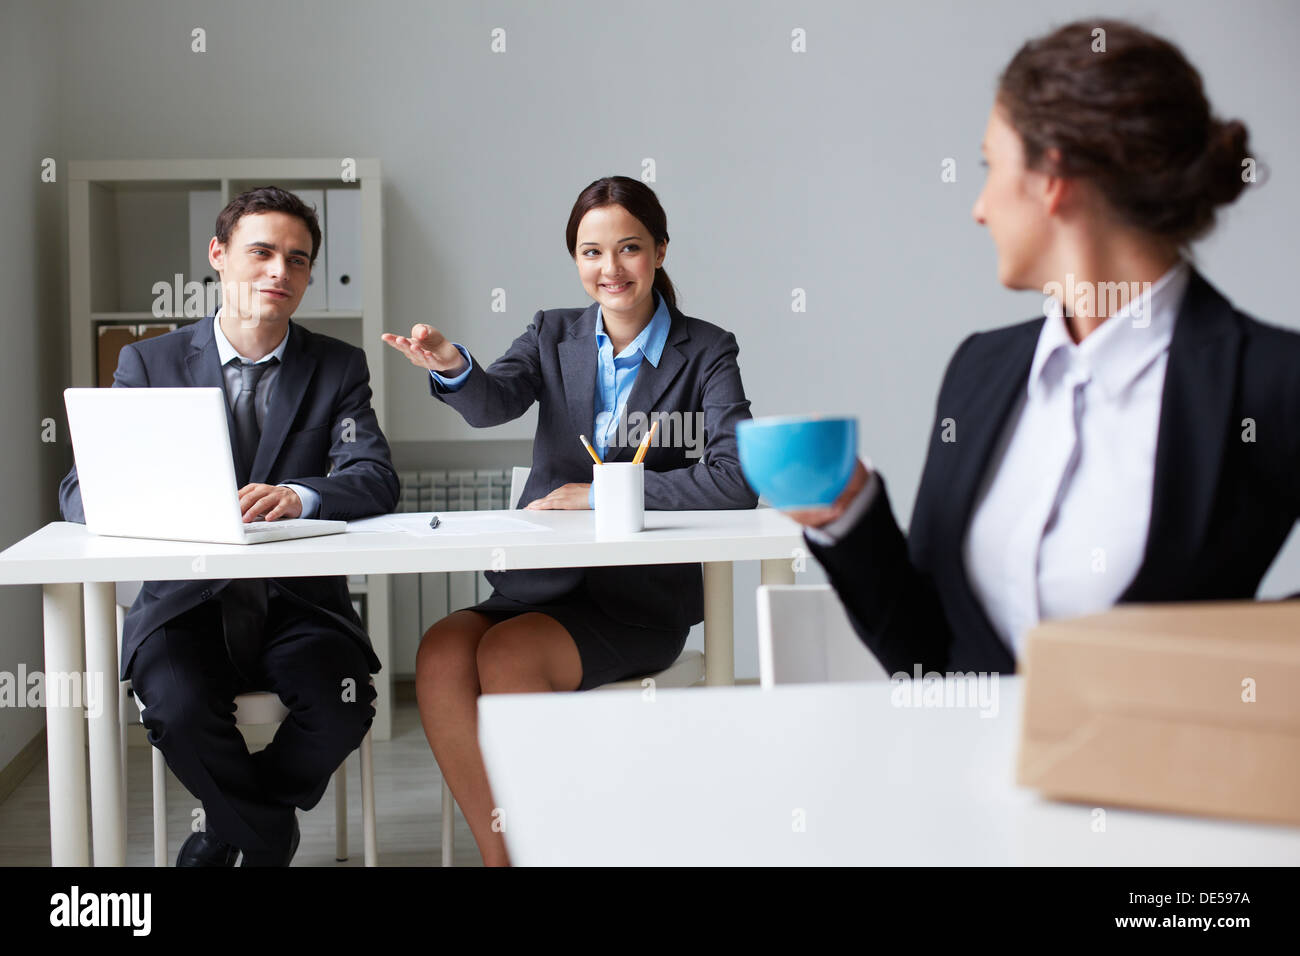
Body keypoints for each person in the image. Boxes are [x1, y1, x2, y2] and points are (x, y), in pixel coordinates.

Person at [791, 20, 1300, 675]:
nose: (978, 207)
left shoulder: (1271, 381)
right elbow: (928, 652)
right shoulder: (980, 370)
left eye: (990, 166)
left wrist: (1245, 661)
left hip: (1152, 780)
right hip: (951, 776)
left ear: (1052, 174)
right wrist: (847, 511)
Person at [383, 175, 757, 865]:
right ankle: (505, 856)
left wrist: (606, 492)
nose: (609, 269)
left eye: (629, 248)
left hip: (638, 600)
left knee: (506, 653)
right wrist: (452, 366)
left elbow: (737, 481)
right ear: (575, 259)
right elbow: (494, 400)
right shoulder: (552, 333)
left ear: (661, 252)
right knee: (439, 654)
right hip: (540, 586)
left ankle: (559, 846)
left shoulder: (706, 350)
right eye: (591, 252)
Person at [59, 186, 400, 866]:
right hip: (187, 605)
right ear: (218, 256)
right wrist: (166, 501)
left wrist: (301, 495)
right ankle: (267, 836)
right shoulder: (148, 362)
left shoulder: (337, 366)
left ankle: (225, 833)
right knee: (179, 710)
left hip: (298, 604)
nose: (280, 271)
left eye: (298, 260)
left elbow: (375, 476)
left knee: (339, 706)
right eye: (263, 252)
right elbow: (80, 489)